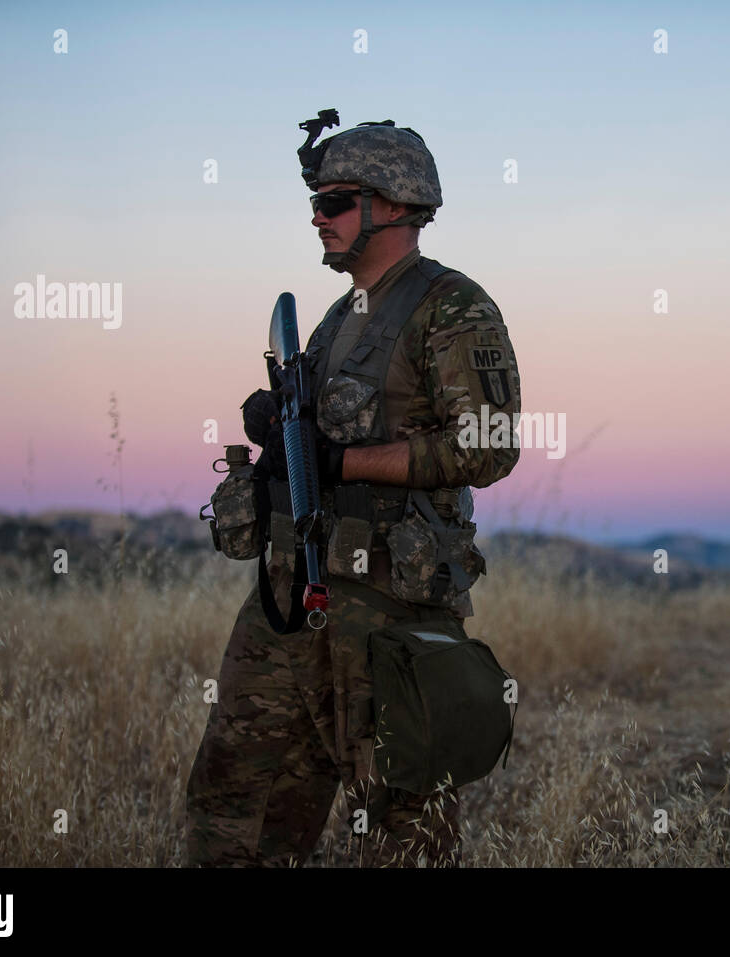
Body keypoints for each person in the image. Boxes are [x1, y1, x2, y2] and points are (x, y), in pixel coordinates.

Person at [185, 114, 521, 867]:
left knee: (404, 820)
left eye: (335, 201)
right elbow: (321, 439)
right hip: (292, 595)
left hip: (388, 609)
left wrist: (344, 462)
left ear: (394, 204)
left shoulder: (452, 306)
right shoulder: (338, 316)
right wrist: (281, 432)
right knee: (236, 803)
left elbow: (489, 446)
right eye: (317, 201)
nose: (318, 217)